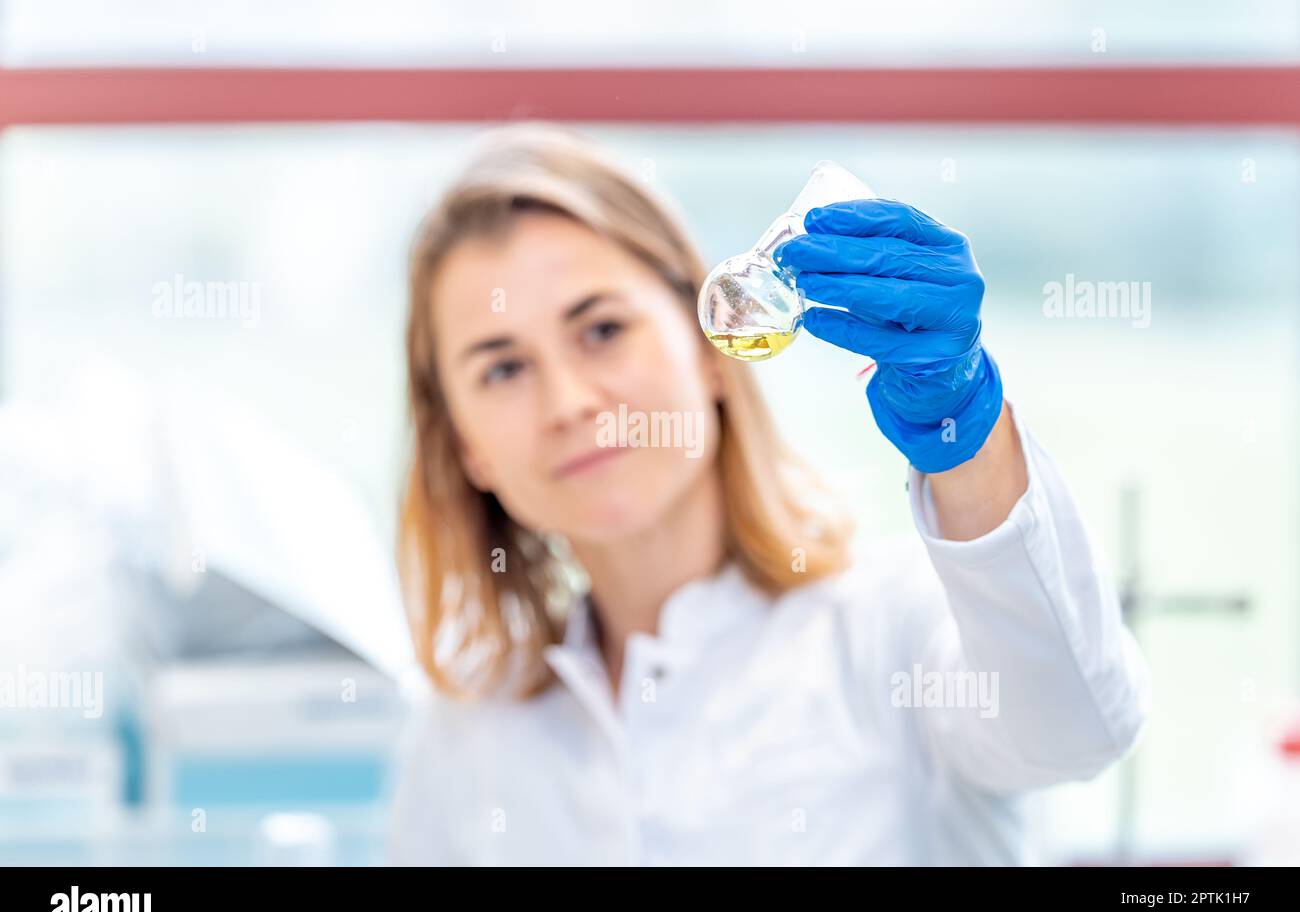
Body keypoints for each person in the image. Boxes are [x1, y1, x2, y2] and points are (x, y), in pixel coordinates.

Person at [387, 123, 1150, 865]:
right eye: (502, 369)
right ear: (466, 446)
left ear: (712, 349)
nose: (568, 403)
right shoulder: (464, 740)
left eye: (602, 329)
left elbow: (1080, 729)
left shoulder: (894, 631)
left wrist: (964, 430)